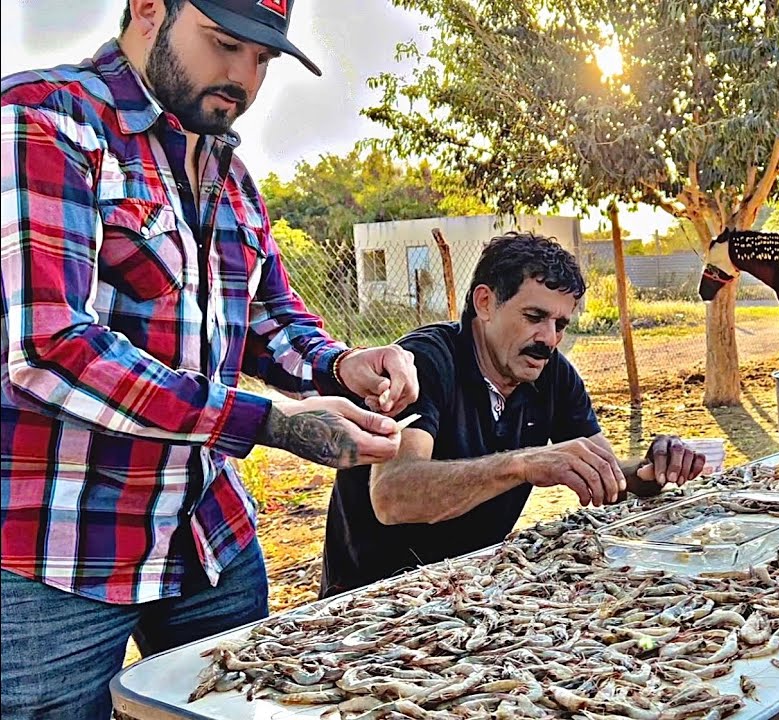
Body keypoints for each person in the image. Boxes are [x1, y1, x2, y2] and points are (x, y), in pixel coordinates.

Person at [1, 2, 419, 718]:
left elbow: (266, 318)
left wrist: (342, 363)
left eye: (263, 59)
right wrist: (272, 422)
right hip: (60, 555)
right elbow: (55, 347)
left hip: (210, 541)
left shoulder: (229, 171)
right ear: (148, 9)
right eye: (226, 44)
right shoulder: (47, 120)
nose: (244, 78)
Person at [321, 232, 707, 598]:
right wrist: (522, 465)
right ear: (485, 302)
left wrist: (650, 470)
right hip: (373, 599)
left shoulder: (552, 374)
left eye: (560, 324)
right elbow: (393, 496)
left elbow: (603, 474)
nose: (549, 339)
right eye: (534, 316)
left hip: (469, 589)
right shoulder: (424, 362)